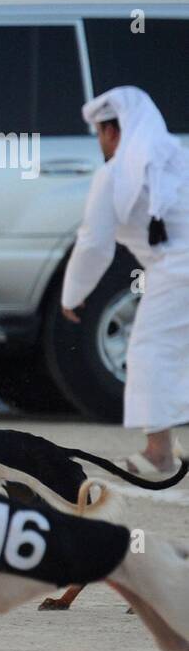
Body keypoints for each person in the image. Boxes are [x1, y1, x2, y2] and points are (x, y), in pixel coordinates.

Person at [61, 86, 189, 478]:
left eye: (100, 132)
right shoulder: (176, 157)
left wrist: (73, 295)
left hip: (177, 271)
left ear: (114, 131)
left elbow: (94, 244)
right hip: (174, 269)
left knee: (149, 350)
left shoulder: (115, 174)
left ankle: (158, 453)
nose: (99, 142)